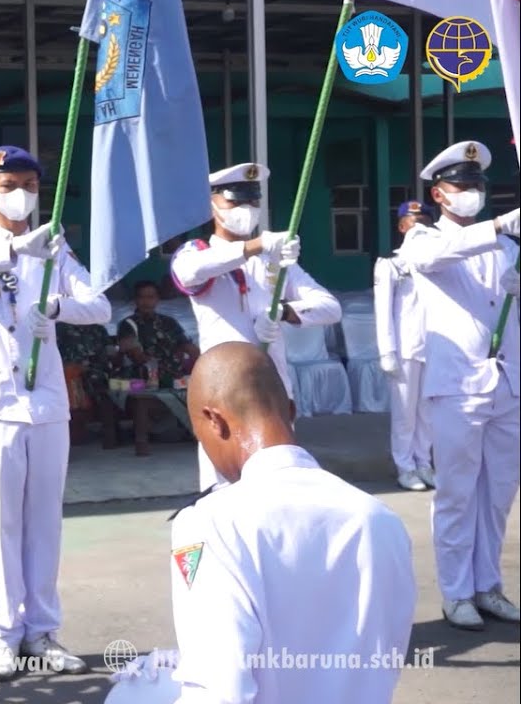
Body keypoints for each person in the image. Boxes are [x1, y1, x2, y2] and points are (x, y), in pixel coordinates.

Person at [0, 145, 109, 681]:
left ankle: (42, 631)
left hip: (47, 402)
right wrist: (13, 252)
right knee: (1, 524)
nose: (22, 194)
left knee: (44, 523)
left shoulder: (56, 248)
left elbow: (99, 306)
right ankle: (3, 635)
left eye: (31, 185)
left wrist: (54, 307)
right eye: (10, 183)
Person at [170, 342, 416, 703]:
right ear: (291, 411)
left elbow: (220, 686)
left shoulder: (211, 524)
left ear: (215, 421)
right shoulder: (379, 520)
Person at [400, 140, 521, 629]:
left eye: (476, 186)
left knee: (498, 495)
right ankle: (456, 593)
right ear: (439, 193)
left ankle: (487, 585)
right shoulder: (424, 239)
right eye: (461, 185)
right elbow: (435, 259)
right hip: (457, 387)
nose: (471, 193)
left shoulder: (507, 244)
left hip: (507, 383)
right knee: (457, 493)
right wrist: (496, 226)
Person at [170, 162, 341, 489]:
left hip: (272, 387)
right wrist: (256, 246)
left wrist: (285, 311)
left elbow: (329, 307)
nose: (245, 210)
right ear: (213, 205)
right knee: (224, 488)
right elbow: (189, 273)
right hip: (224, 389)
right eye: (235, 201)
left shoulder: (275, 261)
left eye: (252, 202)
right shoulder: (199, 252)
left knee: (278, 485)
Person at [374, 200, 435, 491]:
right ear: (401, 226)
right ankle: (405, 467)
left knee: (427, 413)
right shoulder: (391, 263)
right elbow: (383, 309)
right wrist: (387, 351)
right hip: (405, 348)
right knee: (404, 415)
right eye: (413, 220)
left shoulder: (438, 261)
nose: (419, 224)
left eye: (424, 219)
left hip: (434, 347)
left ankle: (424, 463)